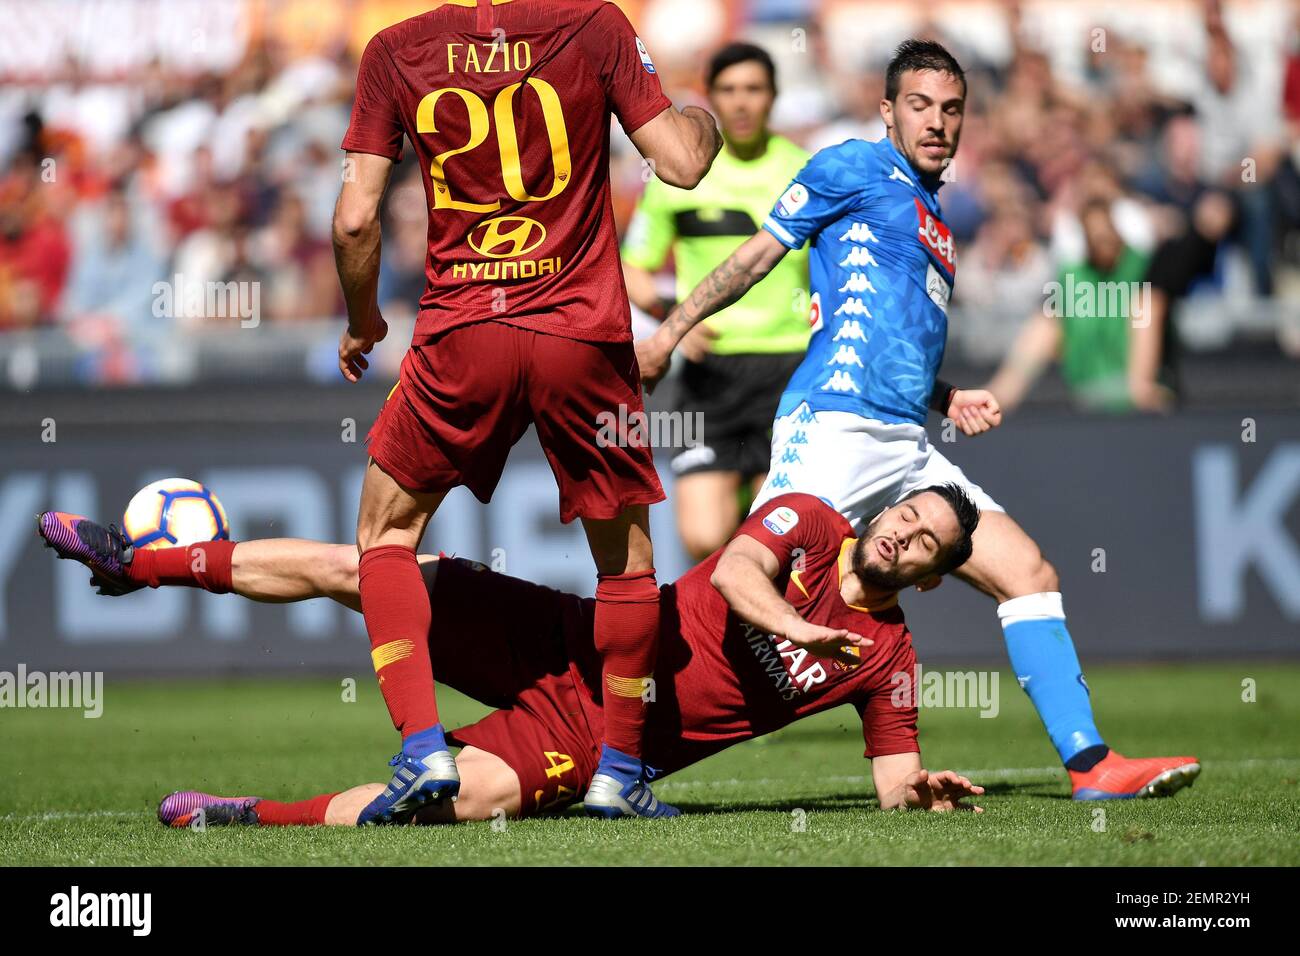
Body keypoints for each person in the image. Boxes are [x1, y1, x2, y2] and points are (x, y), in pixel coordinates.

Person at [635, 39, 1201, 800]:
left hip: (905, 443)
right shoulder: (849, 167)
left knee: (1029, 574)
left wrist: (945, 397)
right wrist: (668, 333)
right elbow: (756, 258)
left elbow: (887, 335)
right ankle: (616, 742)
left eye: (951, 108)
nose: (937, 122)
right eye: (919, 105)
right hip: (831, 426)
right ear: (887, 110)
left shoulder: (936, 219)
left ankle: (1092, 768)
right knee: (735, 590)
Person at [37, 487, 1010, 825]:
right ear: (885, 511)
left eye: (926, 543)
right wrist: (799, 628)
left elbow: (891, 779)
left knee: (465, 799)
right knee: (368, 566)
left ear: (930, 575)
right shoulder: (809, 520)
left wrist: (916, 786)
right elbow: (735, 578)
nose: (904, 536)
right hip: (575, 636)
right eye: (908, 516)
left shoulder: (887, 656)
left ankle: (238, 813)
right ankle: (141, 562)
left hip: (604, 732)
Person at [331, 0, 722, 821]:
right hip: (579, 333)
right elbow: (682, 165)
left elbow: (356, 216)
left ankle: (422, 748)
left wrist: (365, 318)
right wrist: (703, 118)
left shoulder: (396, 49)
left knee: (385, 536)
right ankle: (618, 770)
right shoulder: (596, 26)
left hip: (461, 331)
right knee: (623, 563)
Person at [621, 42, 811, 560]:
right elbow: (631, 265)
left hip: (790, 369)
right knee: (705, 539)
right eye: (729, 91)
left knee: (785, 539)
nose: (742, 103)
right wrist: (670, 319)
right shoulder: (680, 175)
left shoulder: (807, 173)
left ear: (773, 97)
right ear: (713, 98)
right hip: (711, 373)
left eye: (754, 90)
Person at [985, 200, 1156, 414]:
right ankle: (993, 400)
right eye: (1093, 233)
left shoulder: (1143, 269)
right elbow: (1044, 330)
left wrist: (1139, 389)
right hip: (1085, 392)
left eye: (1107, 230)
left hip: (1132, 393)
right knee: (1047, 323)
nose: (1102, 239)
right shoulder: (1072, 276)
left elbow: (1149, 317)